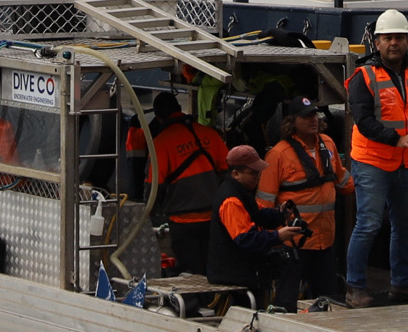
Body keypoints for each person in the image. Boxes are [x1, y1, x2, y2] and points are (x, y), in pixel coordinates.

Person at [345, 9, 408, 307]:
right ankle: (355, 288)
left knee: (405, 224)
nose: (393, 43)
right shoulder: (364, 76)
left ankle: (402, 284)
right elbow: (363, 120)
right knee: (368, 224)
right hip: (372, 162)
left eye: (398, 37)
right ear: (377, 42)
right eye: (388, 38)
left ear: (407, 41)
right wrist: (398, 139)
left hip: (405, 162)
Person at [261, 97, 354, 302]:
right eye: (306, 116)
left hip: (325, 239)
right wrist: (273, 238)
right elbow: (265, 203)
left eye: (314, 114)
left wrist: (363, 187)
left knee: (328, 298)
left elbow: (342, 179)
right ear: (292, 122)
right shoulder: (278, 155)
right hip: (293, 242)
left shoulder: (327, 143)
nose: (313, 119)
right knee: (287, 299)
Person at [127, 92, 230, 265]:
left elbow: (153, 186)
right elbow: (228, 171)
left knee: (189, 274)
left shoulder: (160, 143)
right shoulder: (210, 134)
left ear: (158, 117)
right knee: (211, 272)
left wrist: (151, 213)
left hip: (183, 221)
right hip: (214, 218)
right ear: (180, 109)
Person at [209, 143, 307, 310]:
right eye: (253, 173)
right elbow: (246, 239)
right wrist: (278, 236)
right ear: (235, 174)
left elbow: (258, 214)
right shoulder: (231, 200)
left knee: (290, 260)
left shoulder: (242, 193)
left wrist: (279, 214)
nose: (258, 176)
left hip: (244, 269)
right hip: (233, 274)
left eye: (258, 172)